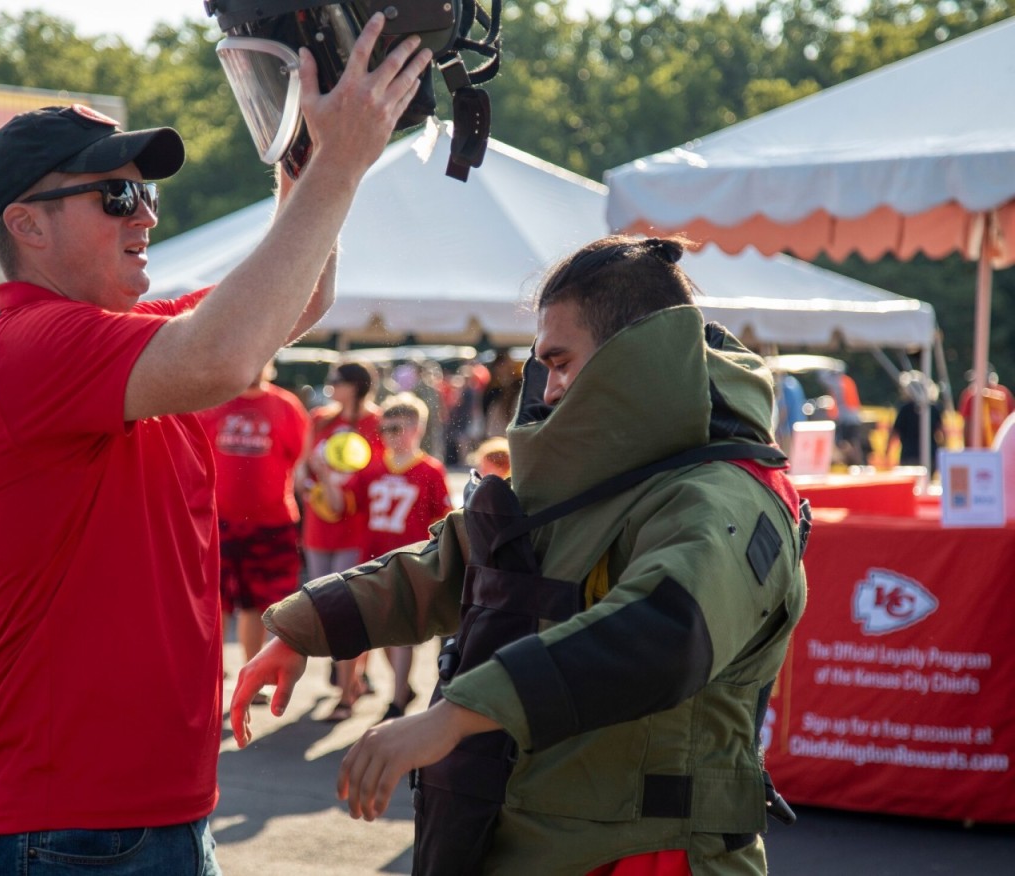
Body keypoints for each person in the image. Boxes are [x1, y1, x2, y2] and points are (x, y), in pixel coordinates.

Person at [0, 17, 432, 875]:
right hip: (70, 831)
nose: (148, 214)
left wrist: (312, 166)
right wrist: (342, 166)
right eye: (117, 196)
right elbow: (227, 353)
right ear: (27, 225)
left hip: (131, 820)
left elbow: (296, 297)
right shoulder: (31, 345)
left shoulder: (112, 338)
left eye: (146, 193)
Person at [231, 235, 808, 876]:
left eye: (562, 363)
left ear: (634, 357)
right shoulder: (593, 475)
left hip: (652, 857)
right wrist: (300, 627)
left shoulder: (723, 492)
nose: (550, 390)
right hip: (537, 842)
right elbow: (453, 564)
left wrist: (457, 714)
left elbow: (663, 633)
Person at [313, 393, 453, 721]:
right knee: (357, 627)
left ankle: (398, 699)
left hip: (411, 562)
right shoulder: (372, 467)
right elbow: (339, 508)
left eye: (398, 428)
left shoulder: (430, 471)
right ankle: (350, 694)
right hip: (371, 560)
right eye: (386, 429)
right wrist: (325, 477)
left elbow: (445, 517)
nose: (391, 435)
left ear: (417, 428)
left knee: (400, 634)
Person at [197, 364, 311, 669]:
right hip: (217, 521)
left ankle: (254, 670)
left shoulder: (286, 406)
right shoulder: (214, 400)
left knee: (260, 604)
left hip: (271, 522)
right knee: (212, 602)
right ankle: (212, 673)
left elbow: (299, 457)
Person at [299, 358, 386, 716]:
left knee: (351, 605)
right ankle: (347, 676)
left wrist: (342, 488)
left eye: (339, 380)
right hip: (319, 525)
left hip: (357, 527)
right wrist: (309, 485)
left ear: (357, 385)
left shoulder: (377, 421)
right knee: (323, 603)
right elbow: (303, 464)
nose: (332, 385)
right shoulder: (320, 418)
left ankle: (350, 685)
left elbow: (378, 470)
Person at [887, 371, 944, 473]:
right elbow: (942, 433)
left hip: (909, 455)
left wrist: (887, 452)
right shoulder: (933, 408)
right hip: (930, 454)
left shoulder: (904, 409)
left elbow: (894, 432)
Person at [957, 365, 1015, 448]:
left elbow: (967, 423)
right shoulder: (1004, 394)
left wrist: (967, 447)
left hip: (978, 448)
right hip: (1001, 446)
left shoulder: (972, 396)